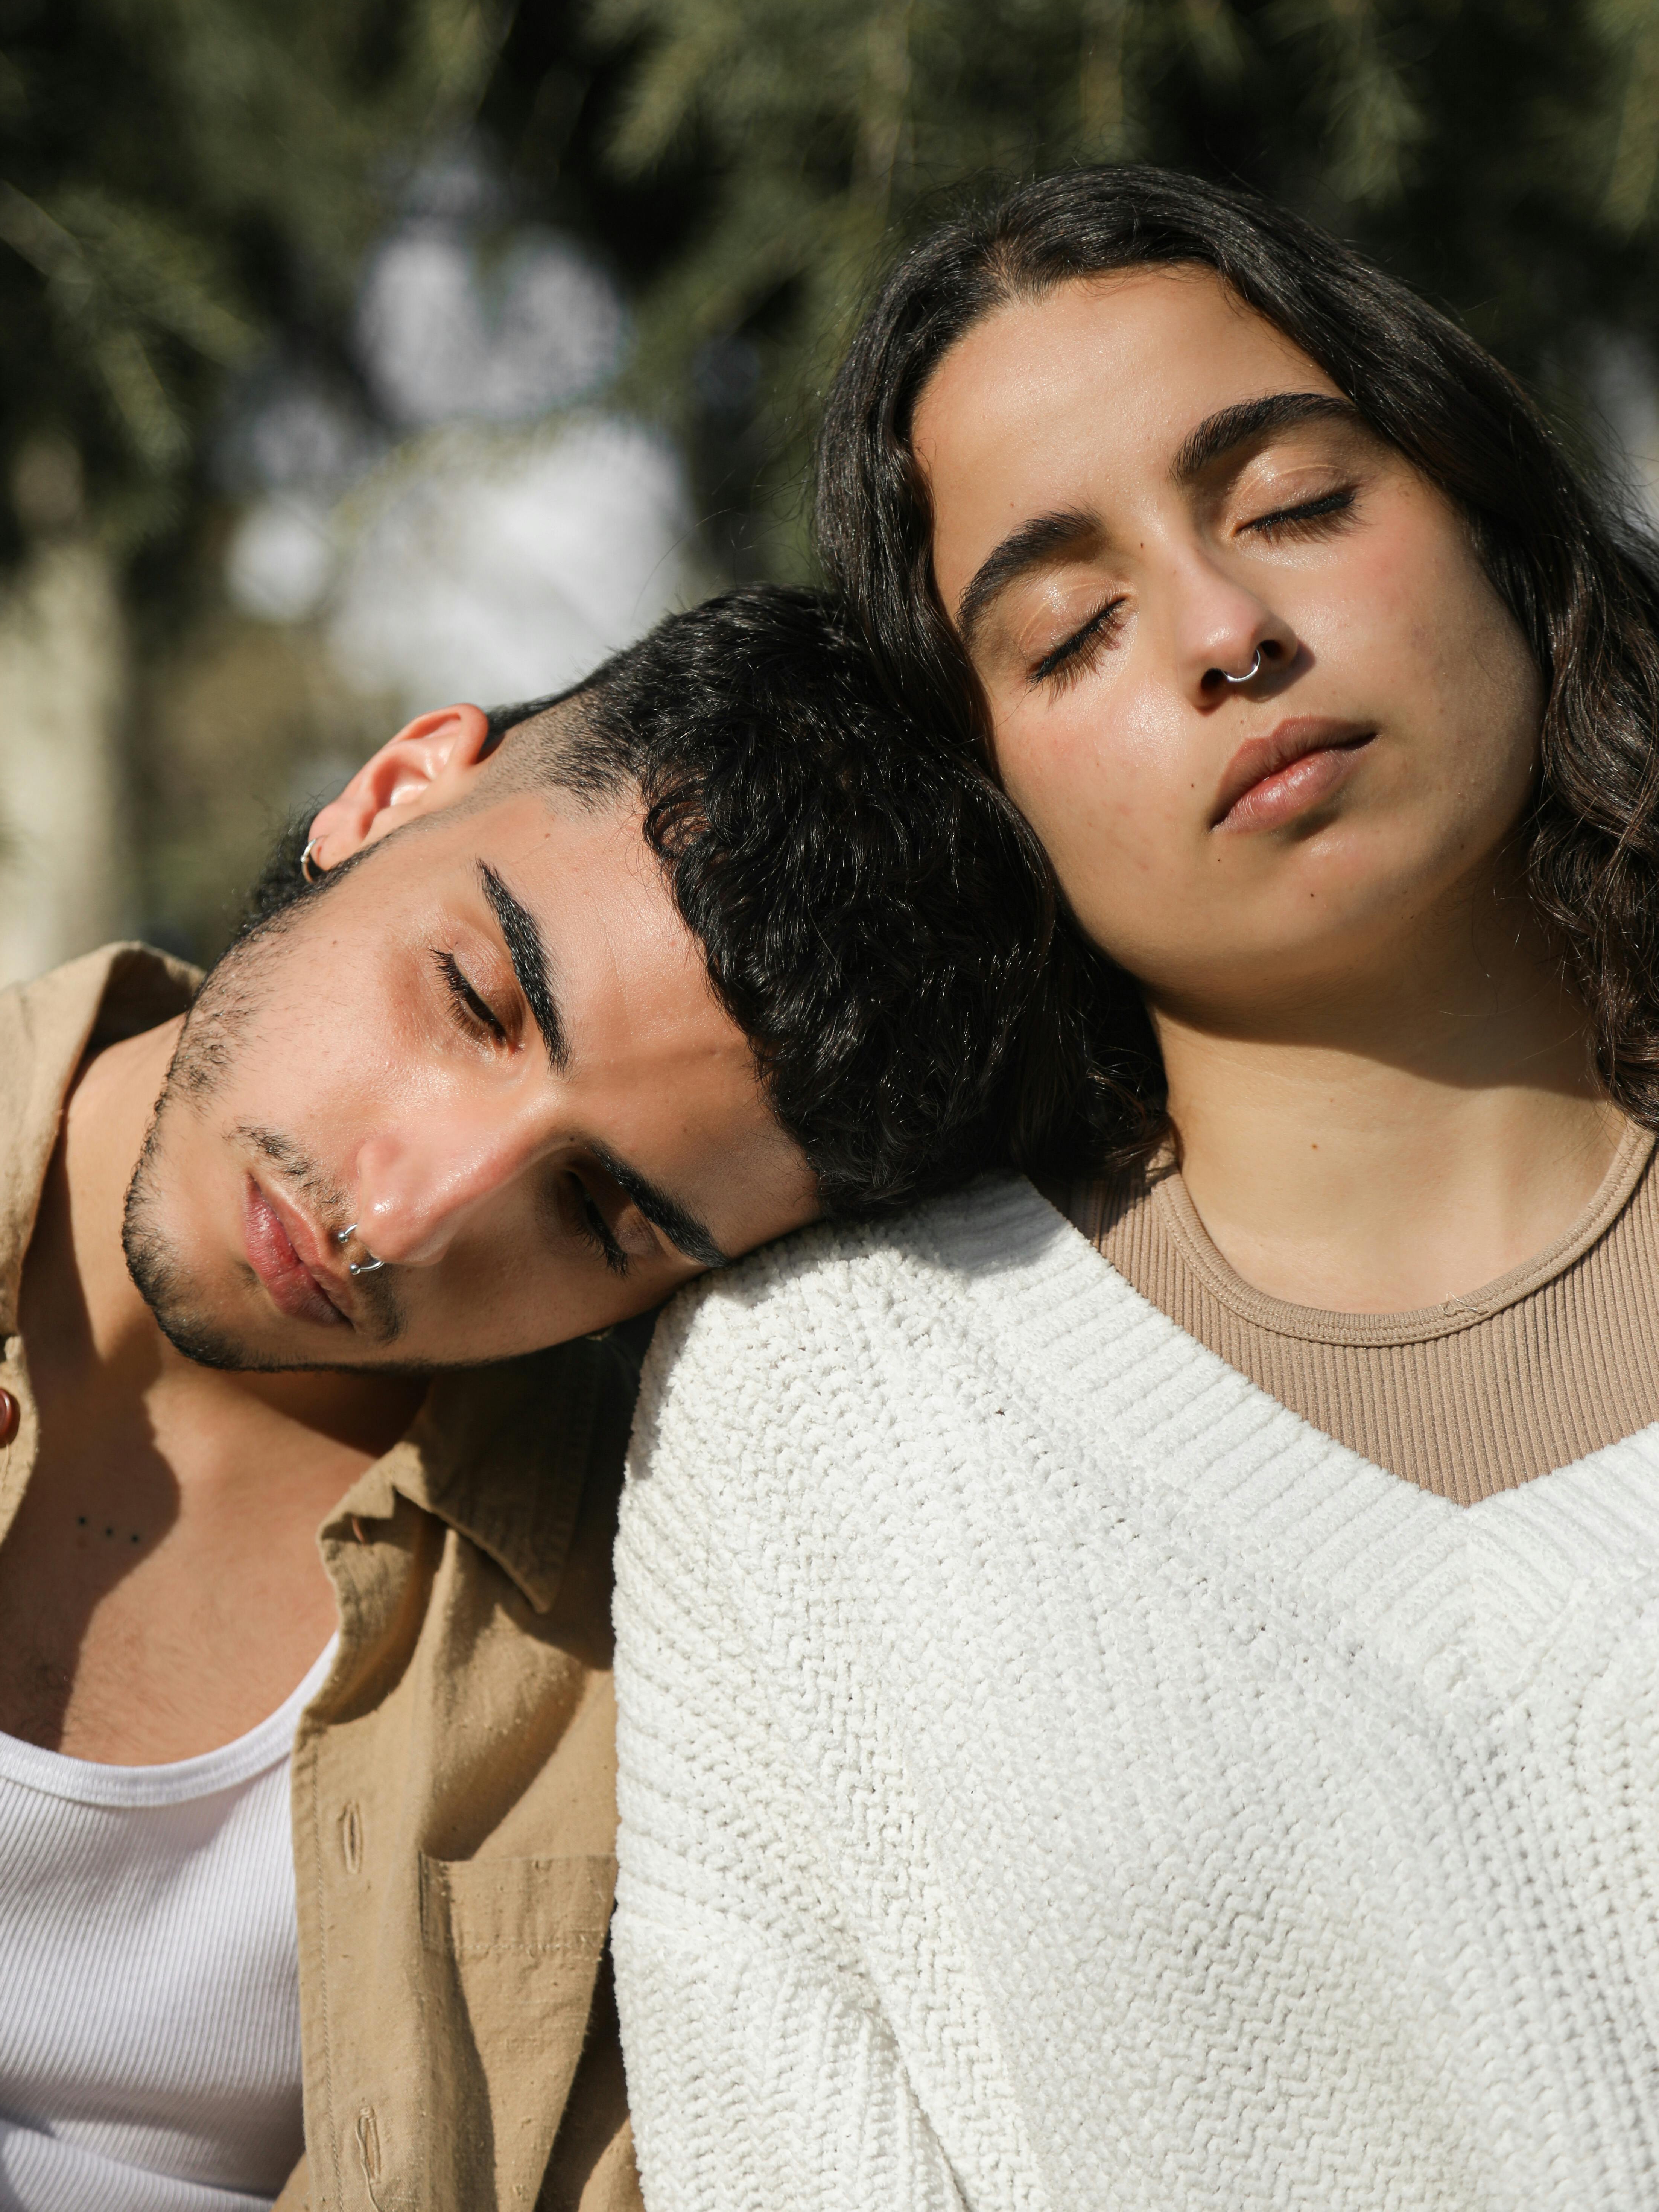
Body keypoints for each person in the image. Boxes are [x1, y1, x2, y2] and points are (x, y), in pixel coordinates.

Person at [611, 170, 1659, 2209]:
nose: (1222, 634)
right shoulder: (819, 1423)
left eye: (1292, 506)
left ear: (1492, 523)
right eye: (1068, 629)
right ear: (984, 784)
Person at [0, 584, 1087, 2212]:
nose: (411, 1214)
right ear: (391, 790)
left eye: (600, 1214)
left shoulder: (633, 1684)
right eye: (477, 1000)